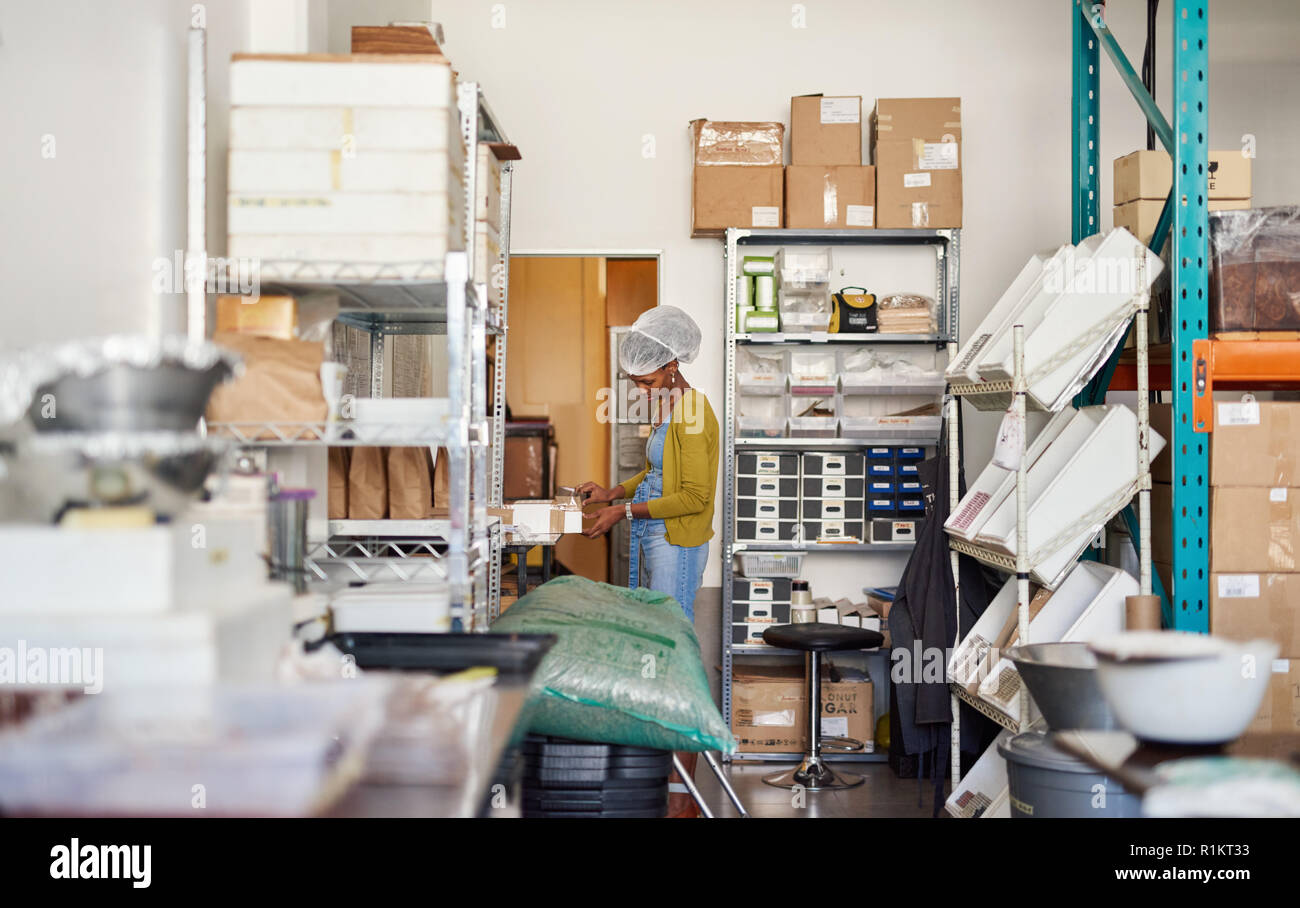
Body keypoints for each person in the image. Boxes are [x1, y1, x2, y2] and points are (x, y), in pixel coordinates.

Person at [578, 306, 719, 624]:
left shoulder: (693, 410)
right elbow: (658, 470)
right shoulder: (669, 403)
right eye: (635, 383)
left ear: (671, 365)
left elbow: (695, 497)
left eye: (647, 381)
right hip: (656, 530)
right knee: (654, 623)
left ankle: (674, 677)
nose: (642, 390)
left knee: (671, 628)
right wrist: (611, 493)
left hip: (676, 539)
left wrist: (622, 511)